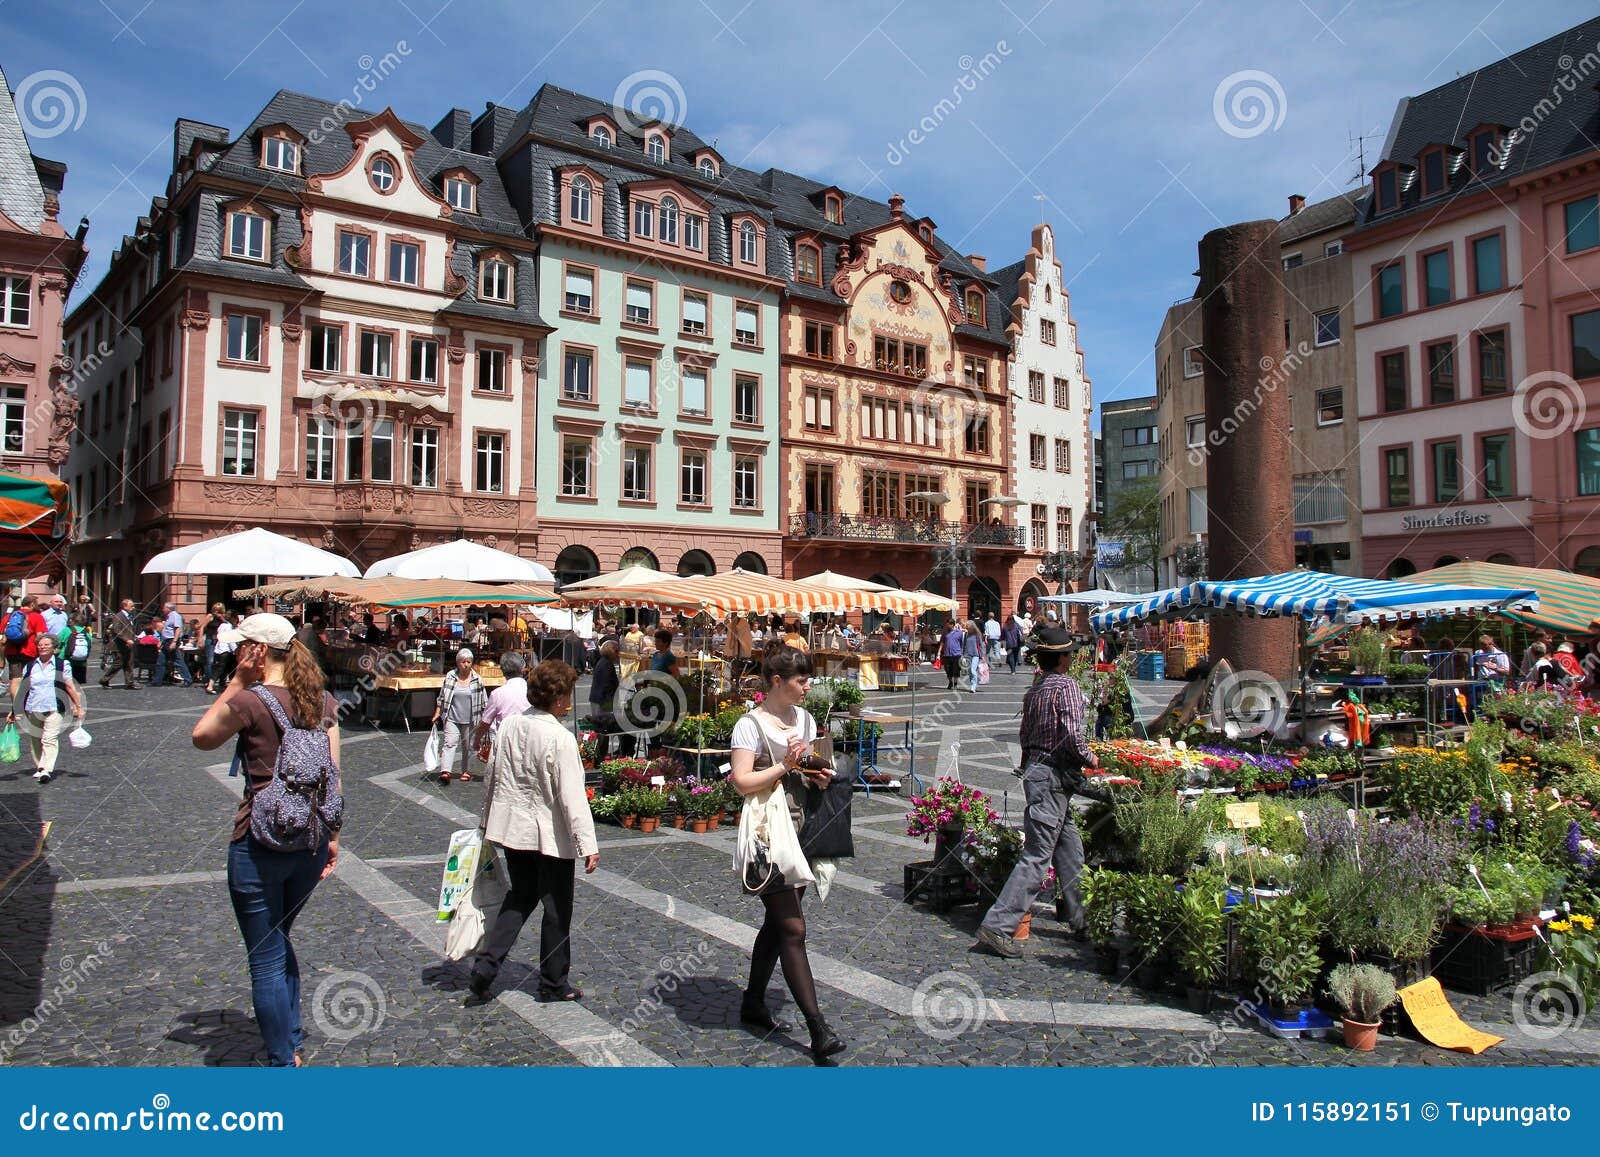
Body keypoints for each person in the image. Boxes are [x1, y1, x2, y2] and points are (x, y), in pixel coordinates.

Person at [190, 612, 341, 1067]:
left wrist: (236, 681)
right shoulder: (323, 701)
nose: (236, 652)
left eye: (241, 646)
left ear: (256, 650)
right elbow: (334, 777)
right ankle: (290, 1038)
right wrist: (332, 837)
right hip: (310, 842)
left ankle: (281, 1060)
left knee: (266, 956)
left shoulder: (250, 701)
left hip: (258, 842)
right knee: (279, 940)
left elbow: (201, 738)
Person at [728, 646, 844, 1063]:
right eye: (801, 680)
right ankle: (818, 1029)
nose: (807, 686)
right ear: (777, 682)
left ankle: (754, 1001)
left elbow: (812, 770)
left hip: (803, 829)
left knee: (777, 926)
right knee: (793, 929)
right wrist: (786, 765)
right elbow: (742, 782)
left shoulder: (806, 720)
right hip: (768, 836)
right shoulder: (750, 726)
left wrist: (819, 772)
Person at [469, 659, 598, 1005]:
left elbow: (493, 774)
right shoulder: (560, 737)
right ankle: (554, 982)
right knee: (556, 909)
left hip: (514, 830)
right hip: (549, 835)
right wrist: (587, 843)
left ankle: (486, 965)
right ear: (559, 699)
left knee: (521, 896)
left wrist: (486, 820)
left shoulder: (510, 725)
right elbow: (572, 796)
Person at [976, 626, 1098, 958]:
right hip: (1054, 776)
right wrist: (1093, 759)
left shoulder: (1035, 690)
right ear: (1062, 659)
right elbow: (1072, 737)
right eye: (1070, 654)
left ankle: (1082, 918)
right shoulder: (1068, 687)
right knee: (1037, 856)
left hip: (1038, 773)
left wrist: (1028, 769)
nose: (1071, 659)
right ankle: (998, 926)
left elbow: (1024, 734)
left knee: (1070, 848)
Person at [6, 633, 85, 784]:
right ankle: (40, 766)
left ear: (54, 647)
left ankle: (46, 770)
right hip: (33, 707)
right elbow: (23, 688)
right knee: (35, 739)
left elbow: (69, 686)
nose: (42, 647)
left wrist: (78, 706)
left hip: (55, 707)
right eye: (40, 645)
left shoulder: (62, 665)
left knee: (49, 739)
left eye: (46, 644)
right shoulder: (30, 666)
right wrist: (14, 709)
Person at [431, 648, 486, 784]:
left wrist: (486, 719)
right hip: (452, 717)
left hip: (471, 719)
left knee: (468, 746)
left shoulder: (477, 679)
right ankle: (445, 771)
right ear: (458, 663)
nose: (466, 664)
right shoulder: (450, 676)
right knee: (449, 743)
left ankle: (466, 771)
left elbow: (484, 701)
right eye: (463, 662)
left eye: (468, 662)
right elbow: (442, 697)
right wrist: (437, 713)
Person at [477, 651, 530, 756]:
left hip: (505, 746)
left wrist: (476, 740)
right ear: (522, 669)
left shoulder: (497, 694)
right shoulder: (533, 691)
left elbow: (485, 722)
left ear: (502, 670)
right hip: (528, 742)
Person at [588, 640, 622, 764]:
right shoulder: (606, 664)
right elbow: (607, 686)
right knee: (603, 730)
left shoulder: (603, 662)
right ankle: (599, 758)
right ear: (612, 652)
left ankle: (599, 756)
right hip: (603, 701)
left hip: (597, 698)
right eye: (617, 651)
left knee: (601, 730)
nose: (618, 655)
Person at [3, 594, 47, 680]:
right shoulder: (37, 617)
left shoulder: (10, 616)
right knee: (29, 679)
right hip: (30, 652)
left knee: (15, 679)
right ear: (32, 605)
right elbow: (39, 636)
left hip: (11, 652)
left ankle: (16, 694)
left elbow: (2, 635)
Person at [100, 598, 138, 690]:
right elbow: (116, 630)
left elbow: (129, 629)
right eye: (131, 606)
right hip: (119, 645)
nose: (133, 608)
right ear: (125, 607)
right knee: (118, 664)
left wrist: (134, 637)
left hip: (128, 645)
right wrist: (126, 640)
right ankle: (104, 680)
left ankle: (130, 683)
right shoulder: (118, 616)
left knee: (129, 664)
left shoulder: (130, 616)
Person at [154, 602, 192, 687]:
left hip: (171, 641)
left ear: (168, 608)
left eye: (164, 608)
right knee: (161, 661)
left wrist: (174, 642)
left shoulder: (175, 616)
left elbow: (177, 629)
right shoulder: (168, 617)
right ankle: (157, 681)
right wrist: (161, 641)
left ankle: (188, 679)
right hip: (166, 641)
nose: (163, 609)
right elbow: (166, 631)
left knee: (178, 661)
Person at [201, 603, 228, 692]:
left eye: (217, 610)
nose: (215, 612)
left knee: (219, 662)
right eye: (214, 609)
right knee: (210, 661)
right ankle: (208, 680)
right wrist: (200, 639)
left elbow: (227, 625)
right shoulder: (210, 616)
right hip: (210, 640)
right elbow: (202, 627)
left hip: (219, 641)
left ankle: (216, 680)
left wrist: (221, 617)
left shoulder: (222, 618)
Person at [940, 620, 965, 691]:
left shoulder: (959, 633)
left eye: (948, 625)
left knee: (956, 670)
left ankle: (955, 683)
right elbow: (942, 642)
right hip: (947, 654)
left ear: (952, 625)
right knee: (948, 670)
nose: (947, 626)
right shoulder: (945, 633)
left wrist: (962, 652)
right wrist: (939, 652)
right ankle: (950, 681)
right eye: (947, 624)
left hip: (956, 654)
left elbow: (961, 643)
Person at [962, 618, 982, 693]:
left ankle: (973, 686)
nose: (966, 628)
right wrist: (963, 654)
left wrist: (982, 656)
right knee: (970, 671)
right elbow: (964, 645)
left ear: (972, 627)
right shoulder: (966, 634)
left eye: (967, 626)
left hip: (975, 654)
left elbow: (981, 645)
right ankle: (973, 683)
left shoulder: (977, 634)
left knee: (973, 670)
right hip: (967, 654)